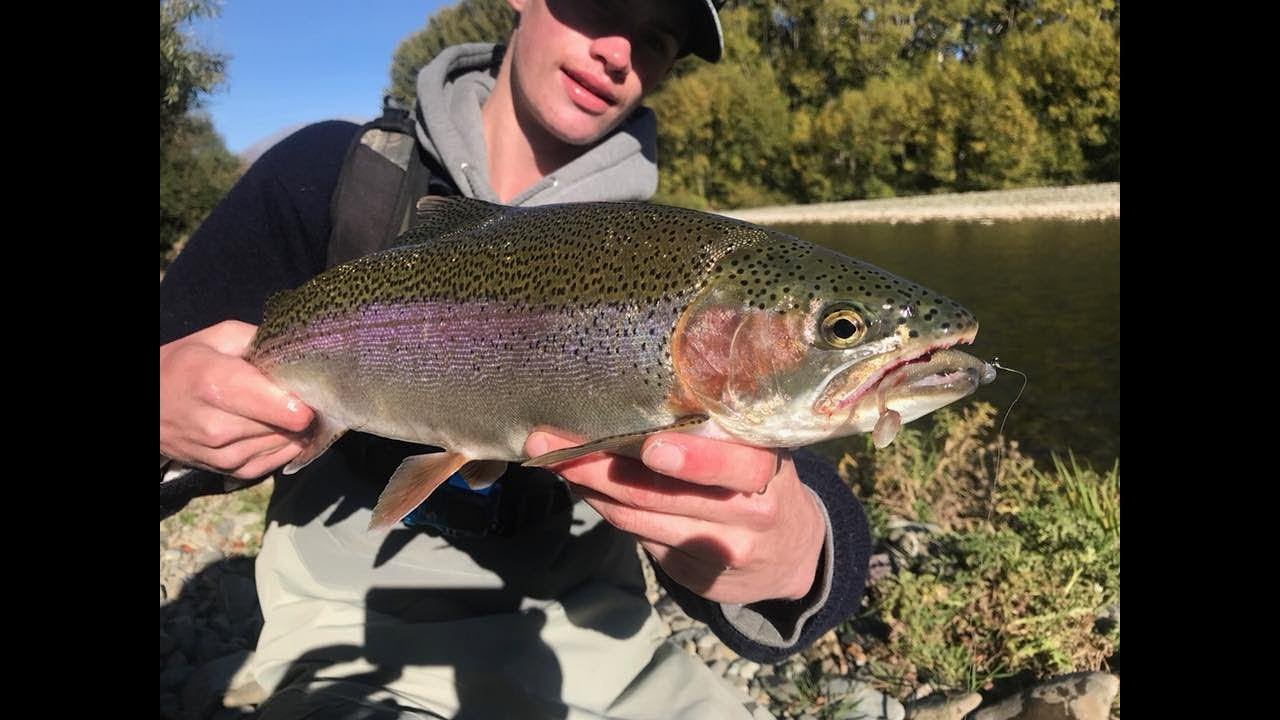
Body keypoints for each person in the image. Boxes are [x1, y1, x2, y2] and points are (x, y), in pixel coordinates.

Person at [159, 1, 871, 717]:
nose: (618, 54)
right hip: (355, 645)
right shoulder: (332, 179)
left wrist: (797, 547)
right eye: (598, 6)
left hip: (606, 653)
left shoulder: (684, 251)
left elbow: (781, 477)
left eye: (655, 40)